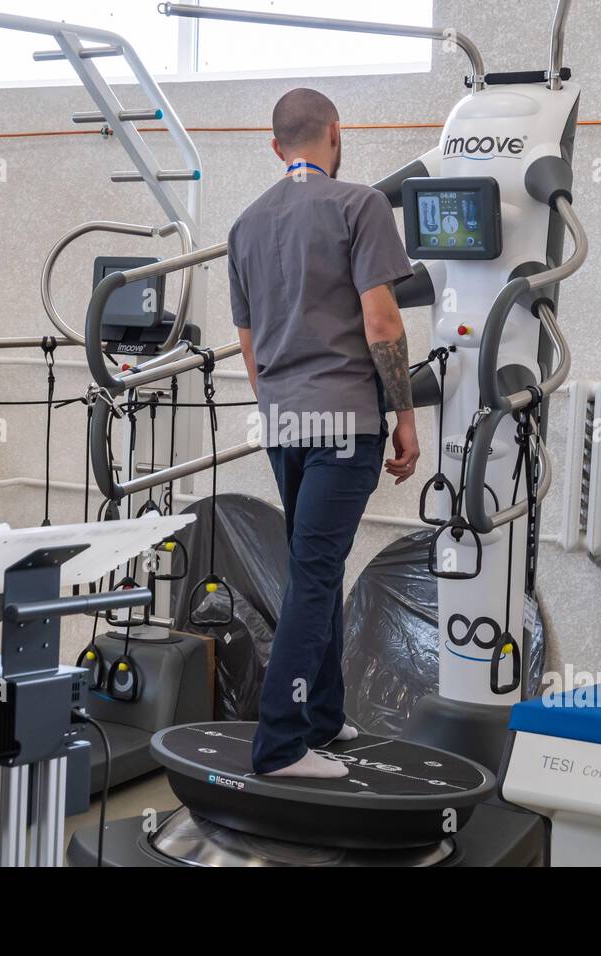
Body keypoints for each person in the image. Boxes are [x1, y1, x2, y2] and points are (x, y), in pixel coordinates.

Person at [228, 88, 420, 778]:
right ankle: (280, 746)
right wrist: (404, 415)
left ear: (275, 147)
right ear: (336, 133)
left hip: (284, 421)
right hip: (346, 420)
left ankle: (323, 716)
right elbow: (383, 323)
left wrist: (284, 404)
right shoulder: (360, 204)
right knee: (314, 572)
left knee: (318, 564)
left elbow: (248, 348)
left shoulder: (245, 226)